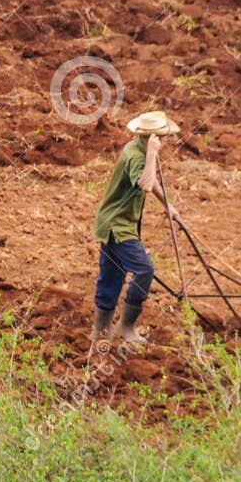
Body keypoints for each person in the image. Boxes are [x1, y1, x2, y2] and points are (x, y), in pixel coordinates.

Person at [91, 110, 181, 348]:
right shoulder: (137, 156)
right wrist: (152, 154)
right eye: (164, 136)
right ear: (152, 137)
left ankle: (100, 330)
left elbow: (152, 182)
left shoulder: (139, 148)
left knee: (112, 274)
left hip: (116, 220)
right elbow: (145, 183)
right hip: (117, 224)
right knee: (144, 270)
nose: (168, 140)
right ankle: (126, 327)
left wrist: (167, 205)